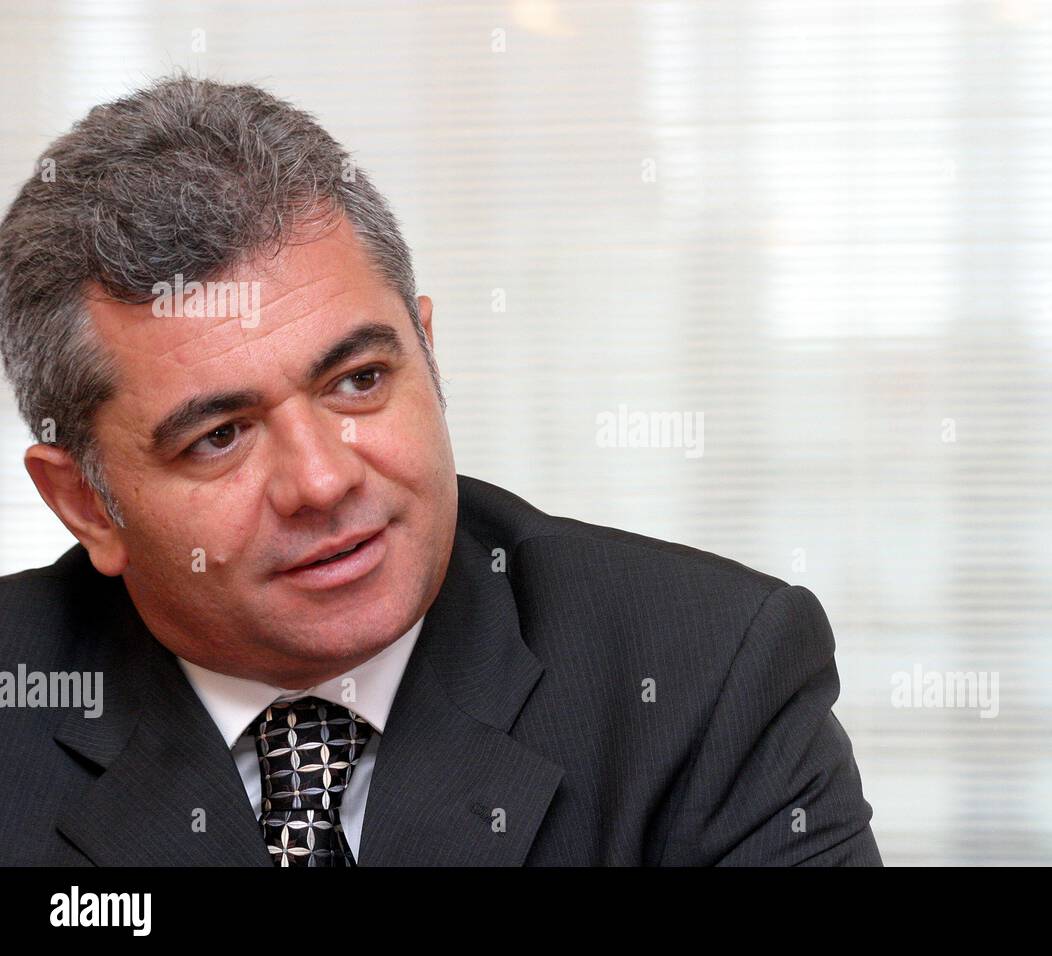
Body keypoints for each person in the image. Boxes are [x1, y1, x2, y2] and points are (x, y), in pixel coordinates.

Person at [0, 75, 882, 866]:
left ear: (428, 351)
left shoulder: (707, 677)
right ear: (87, 505)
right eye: (221, 436)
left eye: (358, 382)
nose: (322, 482)